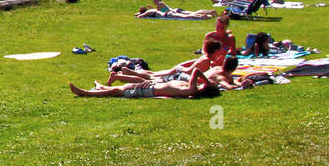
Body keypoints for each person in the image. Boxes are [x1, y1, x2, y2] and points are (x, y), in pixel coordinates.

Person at [70, 65, 220, 99]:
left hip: (149, 91)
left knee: (117, 91)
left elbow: (196, 71)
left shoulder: (192, 89)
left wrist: (207, 81)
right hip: (152, 86)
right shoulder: (192, 89)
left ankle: (85, 93)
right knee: (125, 87)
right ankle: (99, 87)